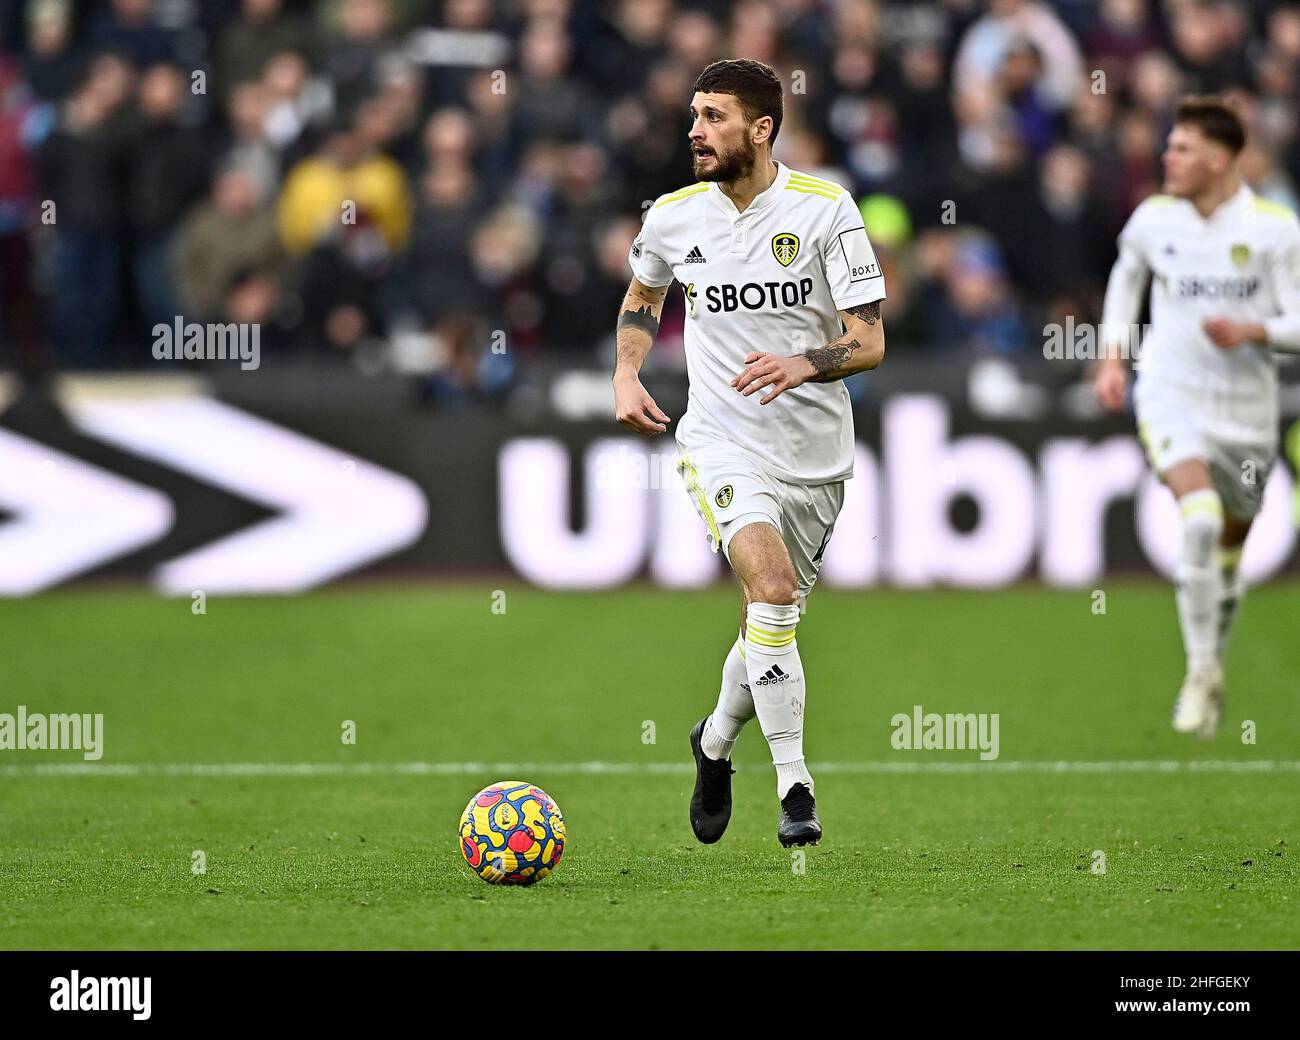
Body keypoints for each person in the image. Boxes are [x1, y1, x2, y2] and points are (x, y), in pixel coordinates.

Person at [612, 59, 886, 846]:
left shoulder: (827, 210)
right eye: (693, 115)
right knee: (767, 589)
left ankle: (713, 742)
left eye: (713, 117)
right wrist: (627, 373)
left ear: (761, 130)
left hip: (815, 455)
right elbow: (642, 294)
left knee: (771, 619)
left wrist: (805, 363)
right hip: (721, 439)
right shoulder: (672, 216)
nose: (694, 131)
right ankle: (795, 785)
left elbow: (868, 341)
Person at [1094, 96, 1300, 738]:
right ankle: (1201, 669)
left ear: (1217, 159)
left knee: (1230, 547)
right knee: (1201, 518)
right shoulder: (1155, 219)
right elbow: (1127, 280)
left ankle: (1213, 657)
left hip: (1246, 411)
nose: (1167, 156)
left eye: (1181, 148)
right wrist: (1112, 357)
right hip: (1169, 390)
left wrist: (1253, 329)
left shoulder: (1274, 228)